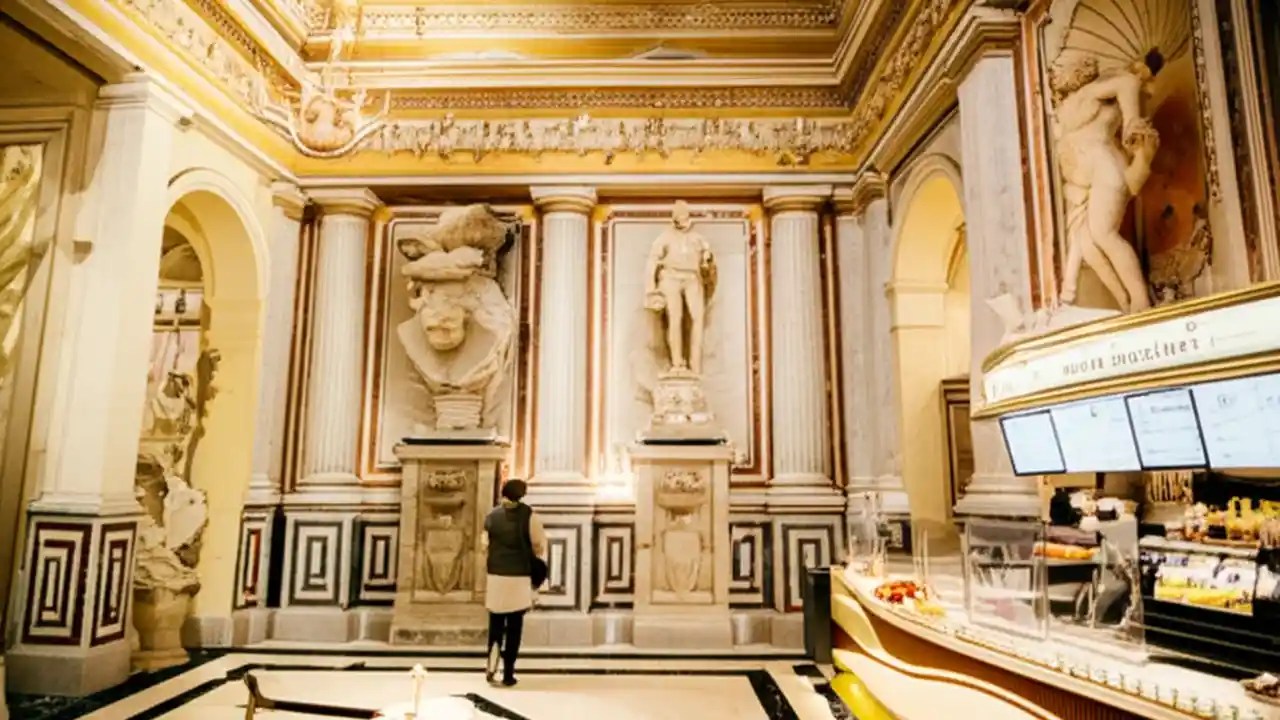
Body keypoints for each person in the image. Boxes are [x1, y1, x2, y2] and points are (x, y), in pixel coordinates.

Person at [482, 479, 545, 687]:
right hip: (519, 575)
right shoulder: (530, 516)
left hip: (496, 575)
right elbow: (538, 544)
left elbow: (484, 544)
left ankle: (491, 667)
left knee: (496, 624)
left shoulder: (492, 515)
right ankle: (509, 672)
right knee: (515, 625)